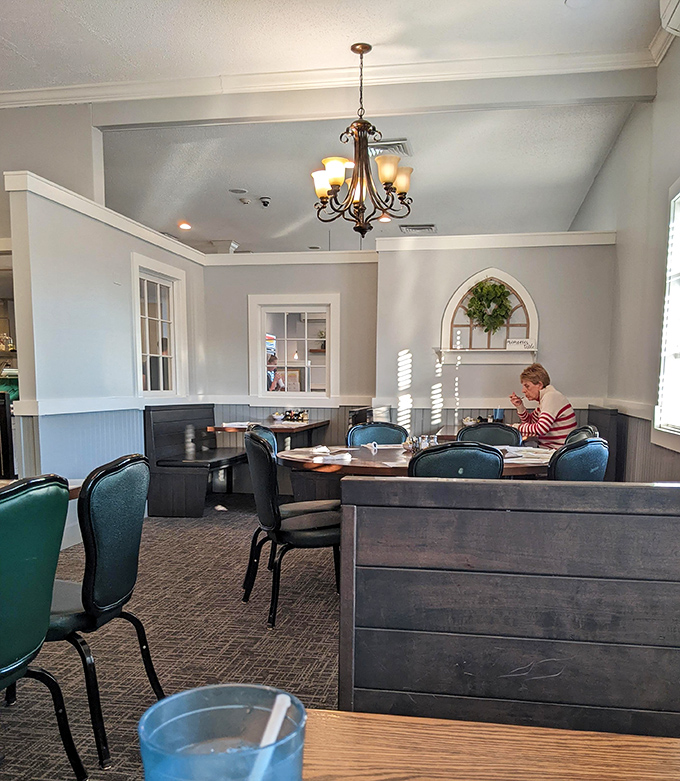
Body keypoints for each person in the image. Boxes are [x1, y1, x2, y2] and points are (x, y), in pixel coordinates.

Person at [509, 363, 576, 449]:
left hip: (557, 452)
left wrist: (514, 427)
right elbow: (531, 422)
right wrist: (520, 407)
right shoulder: (545, 398)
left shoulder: (551, 397)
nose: (523, 391)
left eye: (527, 386)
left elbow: (541, 428)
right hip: (552, 450)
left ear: (540, 385)